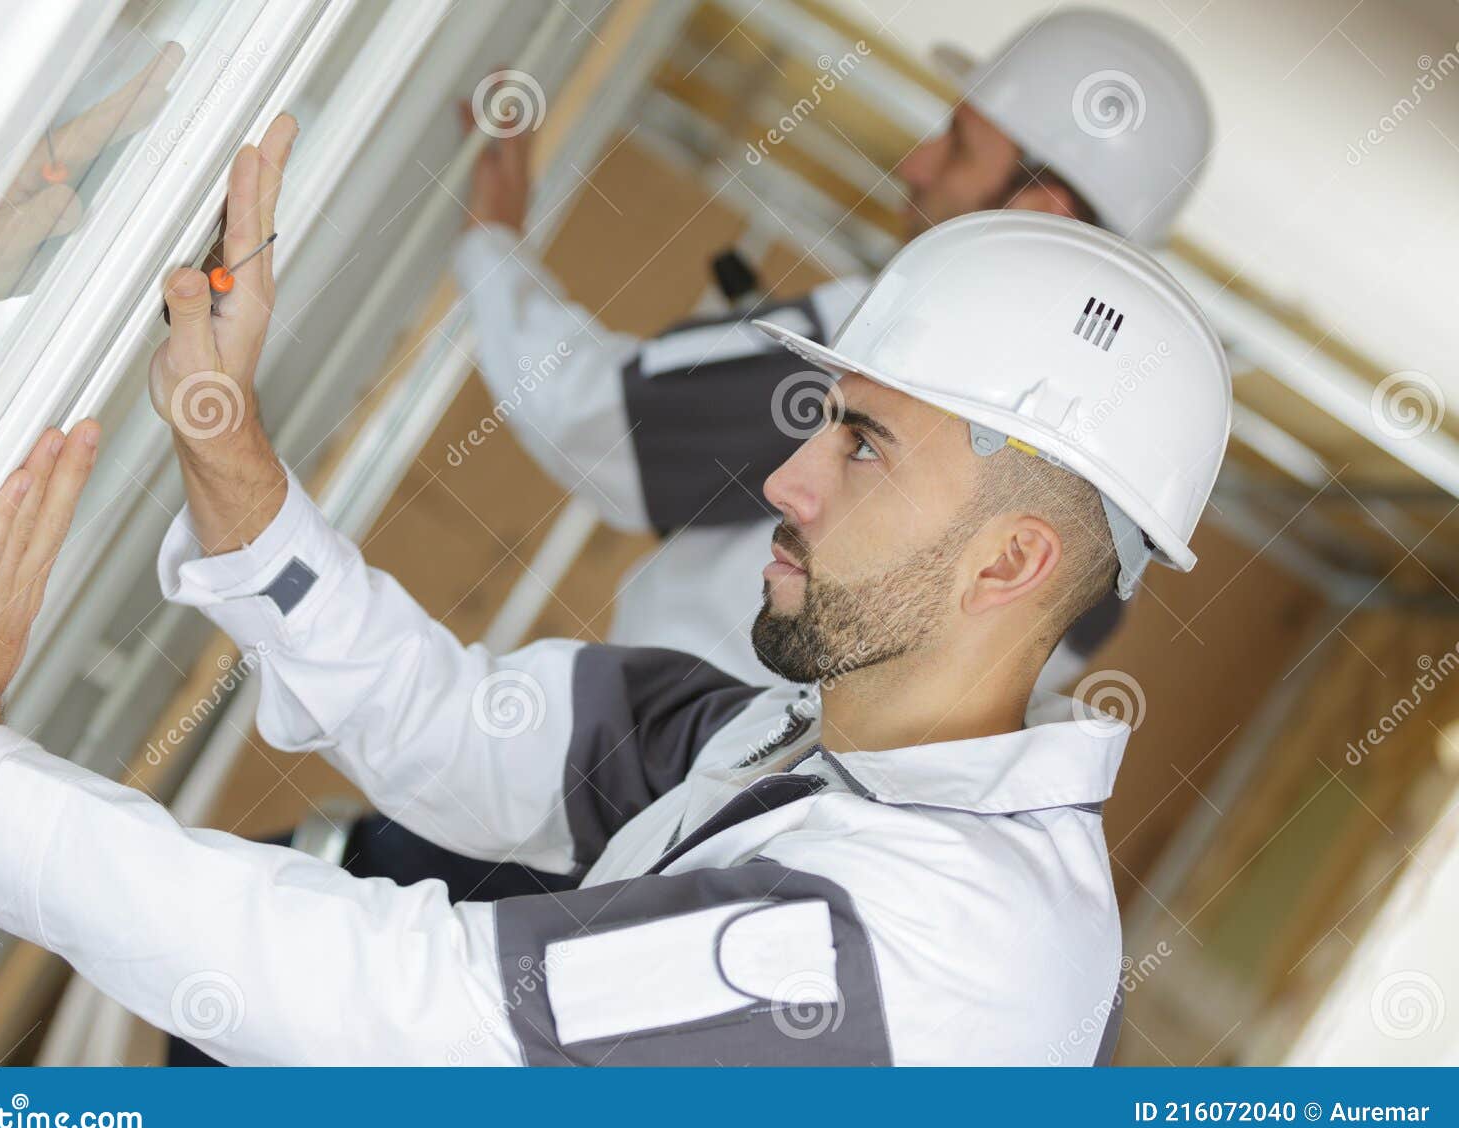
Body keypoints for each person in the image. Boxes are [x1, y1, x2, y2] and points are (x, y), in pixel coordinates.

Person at [0, 99, 1232, 1061]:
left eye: (862, 445)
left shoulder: (911, 947)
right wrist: (230, 454)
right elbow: (465, 730)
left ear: (1011, 558)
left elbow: (405, 1016)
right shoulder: (810, 744)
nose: (783, 480)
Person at [454, 7, 1213, 686]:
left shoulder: (901, 335)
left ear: (1039, 207)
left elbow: (600, 421)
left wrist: (492, 244)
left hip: (634, 771)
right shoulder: (1110, 539)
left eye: (957, 146)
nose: (914, 164)